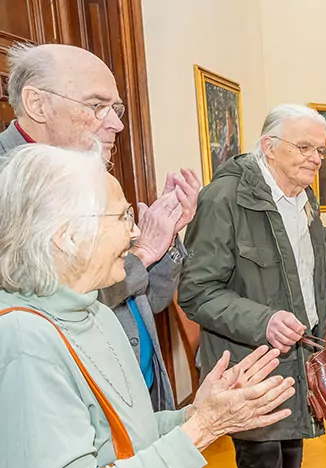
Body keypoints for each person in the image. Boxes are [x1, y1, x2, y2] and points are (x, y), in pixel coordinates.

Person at [0, 144, 295, 468]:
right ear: (66, 236)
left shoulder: (93, 310)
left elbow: (125, 436)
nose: (136, 231)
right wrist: (199, 431)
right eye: (120, 218)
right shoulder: (24, 339)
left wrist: (197, 413)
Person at [178, 105, 326, 468]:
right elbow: (196, 292)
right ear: (270, 147)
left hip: (297, 367)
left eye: (321, 150)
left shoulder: (303, 200)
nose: (316, 159)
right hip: (251, 369)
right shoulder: (226, 197)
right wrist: (263, 319)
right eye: (304, 147)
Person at [0, 42, 200, 413]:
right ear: (37, 103)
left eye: (116, 108)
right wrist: (143, 253)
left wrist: (166, 237)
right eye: (97, 106)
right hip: (70, 409)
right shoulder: (10, 185)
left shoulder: (89, 169)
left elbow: (145, 300)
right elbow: (48, 307)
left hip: (136, 394)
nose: (118, 124)